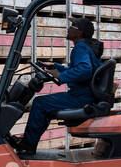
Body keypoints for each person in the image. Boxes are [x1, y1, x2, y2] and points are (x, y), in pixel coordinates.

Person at [11, 15, 103, 156]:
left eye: (73, 26)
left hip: (81, 98)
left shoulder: (80, 48)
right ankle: (29, 142)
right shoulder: (86, 48)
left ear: (79, 33)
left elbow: (85, 70)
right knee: (45, 106)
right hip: (85, 95)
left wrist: (61, 76)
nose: (68, 28)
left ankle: (28, 144)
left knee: (40, 103)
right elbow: (78, 69)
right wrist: (56, 66)